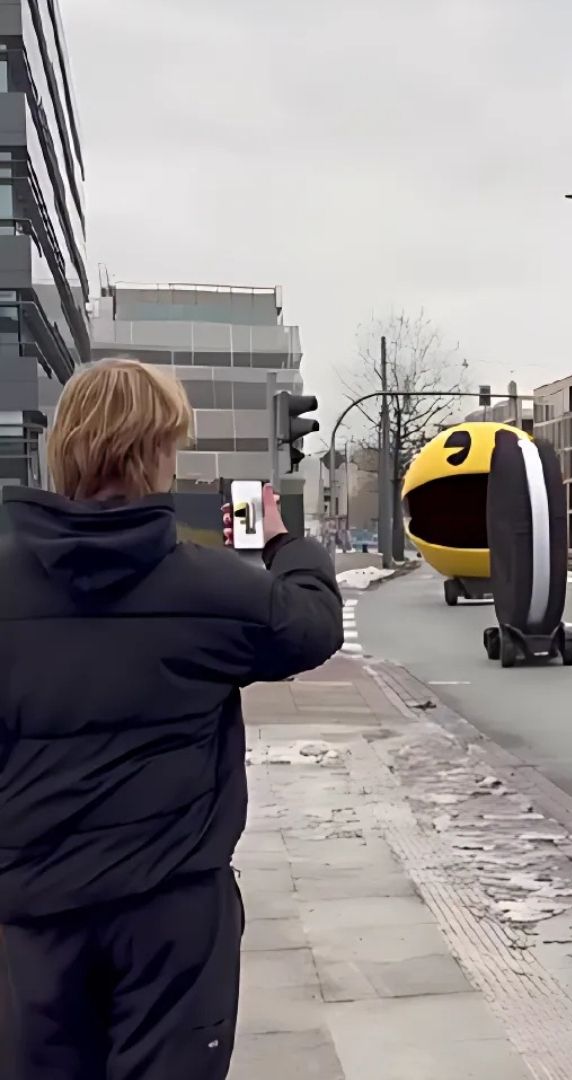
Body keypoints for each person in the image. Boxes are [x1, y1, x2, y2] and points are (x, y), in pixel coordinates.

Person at [0, 359, 343, 1079]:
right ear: (156, 452)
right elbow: (310, 627)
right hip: (173, 925)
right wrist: (282, 541)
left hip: (29, 922)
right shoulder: (208, 588)